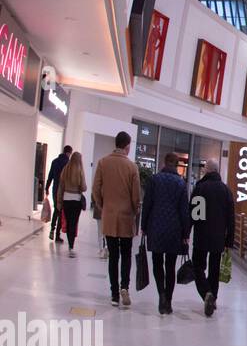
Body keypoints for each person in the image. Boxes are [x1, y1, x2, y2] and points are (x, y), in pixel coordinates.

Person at [92, 130, 141, 307]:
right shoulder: (132, 167)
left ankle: (113, 294)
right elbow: (136, 196)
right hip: (126, 218)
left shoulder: (103, 163)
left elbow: (95, 188)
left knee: (113, 255)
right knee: (126, 254)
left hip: (109, 216)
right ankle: (124, 288)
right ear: (127, 145)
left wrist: (102, 205)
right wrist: (135, 211)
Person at [141, 151, 191, 316]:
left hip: (156, 227)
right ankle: (168, 301)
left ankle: (161, 294)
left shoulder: (154, 180)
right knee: (170, 266)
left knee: (157, 263)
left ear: (164, 162)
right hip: (174, 231)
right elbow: (185, 211)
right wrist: (186, 233)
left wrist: (144, 225)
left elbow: (147, 203)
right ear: (176, 165)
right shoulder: (181, 184)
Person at [190, 158, 234, 317]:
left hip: (202, 234)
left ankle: (206, 293)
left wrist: (186, 232)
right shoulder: (226, 190)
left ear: (207, 170)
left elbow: (195, 214)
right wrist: (229, 240)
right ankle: (213, 296)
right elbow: (231, 218)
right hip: (218, 237)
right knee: (214, 269)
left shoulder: (200, 188)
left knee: (198, 266)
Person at [56, 151, 87, 258]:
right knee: (74, 223)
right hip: (76, 201)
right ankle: (71, 247)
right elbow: (84, 187)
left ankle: (70, 245)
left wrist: (59, 202)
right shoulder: (80, 171)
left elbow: (60, 187)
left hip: (66, 199)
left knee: (68, 222)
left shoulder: (65, 170)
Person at [45, 144, 72, 243]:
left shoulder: (55, 161)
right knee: (61, 212)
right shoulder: (68, 163)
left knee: (56, 209)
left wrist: (47, 188)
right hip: (63, 191)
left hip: (55, 189)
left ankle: (52, 229)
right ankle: (57, 235)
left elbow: (50, 176)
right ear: (68, 153)